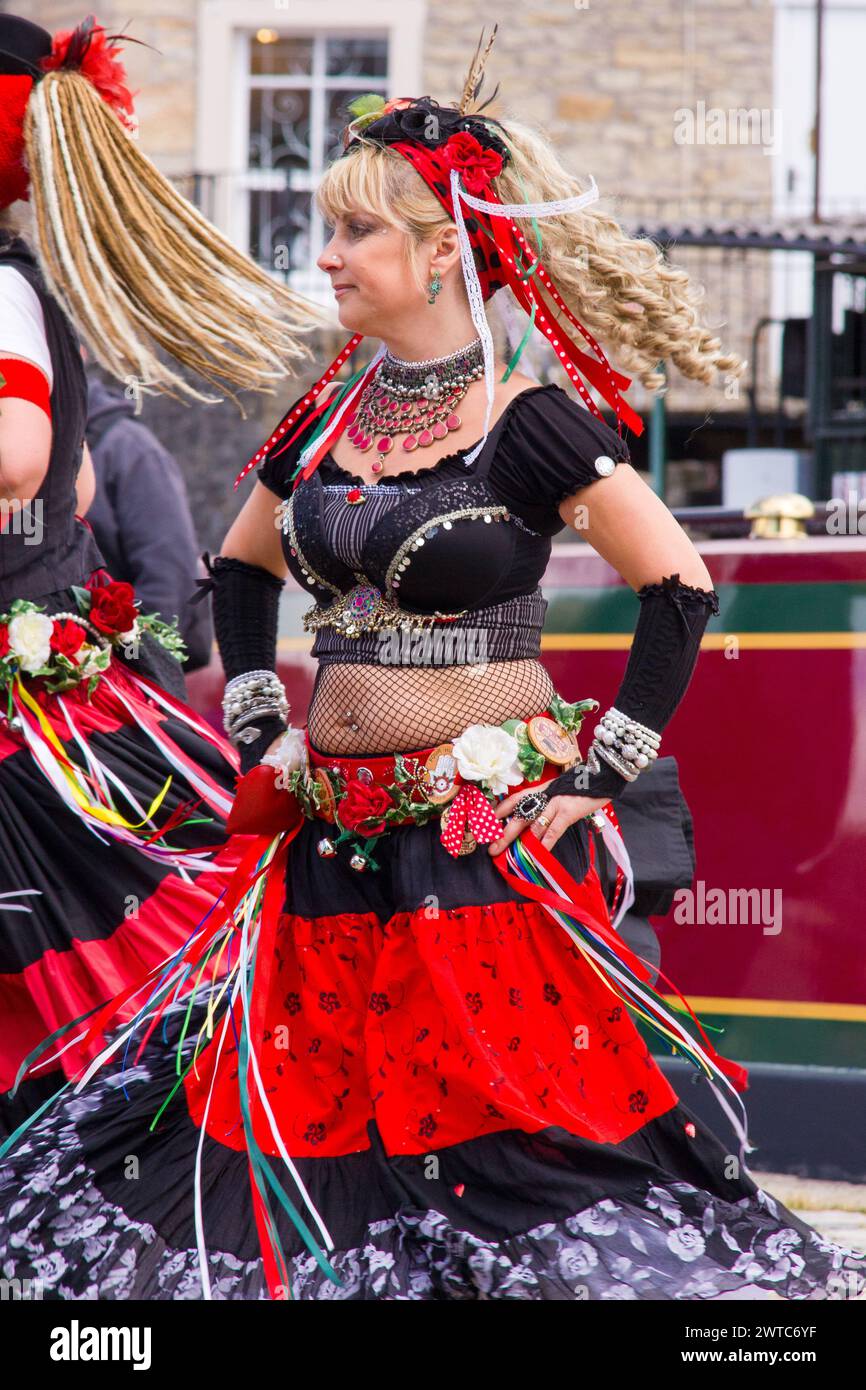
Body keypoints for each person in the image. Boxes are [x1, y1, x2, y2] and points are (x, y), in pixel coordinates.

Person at [2, 34, 865, 1302]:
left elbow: (677, 583)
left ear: (441, 250)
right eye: (325, 231)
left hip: (474, 847)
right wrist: (260, 721)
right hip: (325, 848)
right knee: (301, 1136)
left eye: (353, 233)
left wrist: (602, 765)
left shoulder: (530, 423)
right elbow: (239, 573)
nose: (328, 257)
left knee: (504, 1136)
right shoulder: (327, 415)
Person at [0, 12, 323, 1137]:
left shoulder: (2, 287)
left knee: (97, 993)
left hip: (43, 706)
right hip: (53, 686)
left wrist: (161, 670)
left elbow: (28, 467)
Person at [85, 373, 214, 676]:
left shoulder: (127, 448)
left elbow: (168, 581)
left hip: (117, 688)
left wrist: (126, 672)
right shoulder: (27, 450)